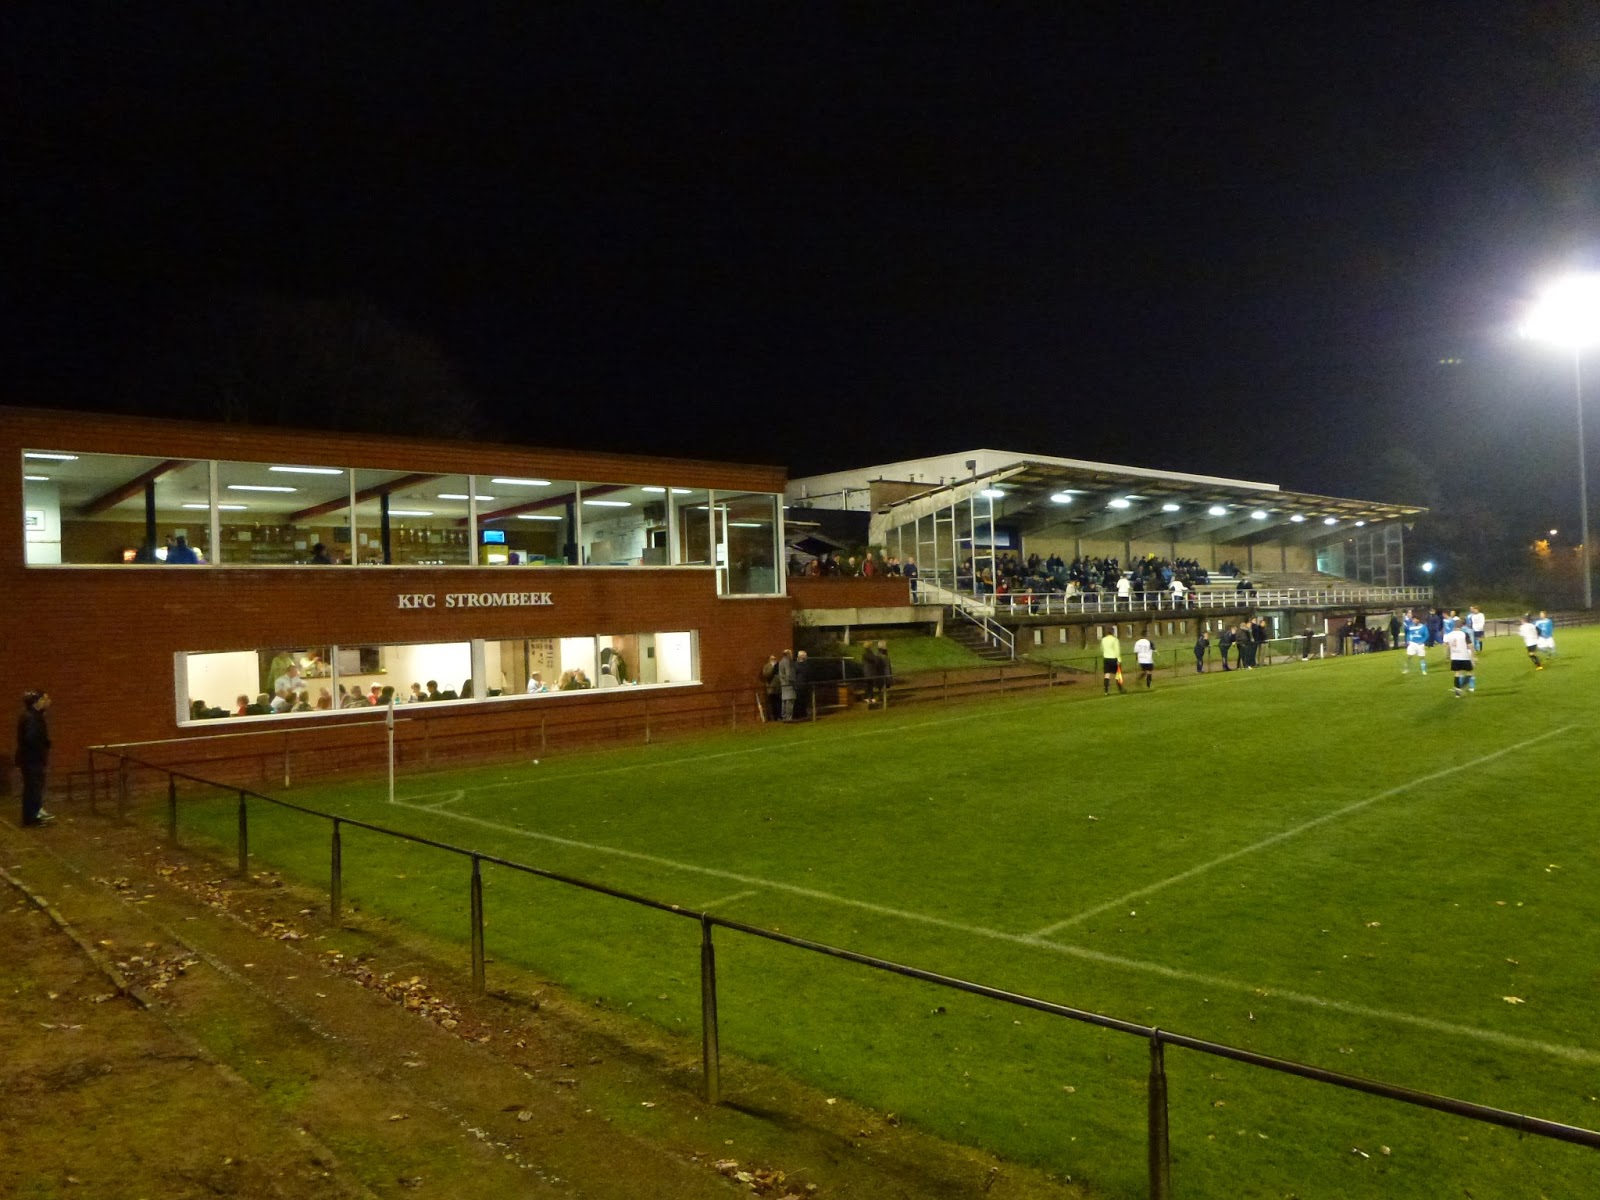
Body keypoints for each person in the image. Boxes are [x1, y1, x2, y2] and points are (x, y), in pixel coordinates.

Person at [15, 690, 53, 826]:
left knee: (33, 787)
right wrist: (43, 745)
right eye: (45, 699)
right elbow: (31, 738)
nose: (48, 702)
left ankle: (33, 814)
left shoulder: (32, 716)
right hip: (32, 759)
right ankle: (31, 818)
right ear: (37, 702)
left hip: (30, 758)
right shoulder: (32, 718)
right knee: (33, 788)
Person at [1444, 622, 1476, 697]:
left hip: (1454, 656)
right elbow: (1470, 645)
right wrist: (1474, 656)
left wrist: (1447, 656)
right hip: (1464, 656)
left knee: (1457, 673)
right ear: (1461, 627)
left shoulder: (1449, 635)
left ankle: (1457, 693)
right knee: (1470, 673)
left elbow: (1447, 647)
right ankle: (1460, 688)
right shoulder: (1464, 634)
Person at [1100, 629, 1124, 695]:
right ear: (1113, 632)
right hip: (1114, 658)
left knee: (1107, 675)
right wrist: (1119, 659)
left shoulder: (1103, 639)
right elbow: (1117, 650)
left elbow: (1102, 649)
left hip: (1106, 658)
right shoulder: (1115, 640)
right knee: (1118, 674)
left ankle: (1106, 691)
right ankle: (1120, 689)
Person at [777, 649, 797, 721]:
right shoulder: (787, 662)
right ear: (788, 654)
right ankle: (789, 717)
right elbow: (789, 674)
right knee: (790, 700)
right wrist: (793, 681)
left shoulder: (780, 662)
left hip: (783, 683)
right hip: (789, 684)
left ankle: (784, 716)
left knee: (784, 700)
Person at [760, 655, 782, 721]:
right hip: (771, 687)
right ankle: (773, 717)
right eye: (772, 659)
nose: (773, 660)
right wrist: (773, 668)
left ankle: (779, 716)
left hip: (779, 687)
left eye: (774, 658)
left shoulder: (779, 665)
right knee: (772, 703)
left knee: (779, 702)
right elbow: (766, 675)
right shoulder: (766, 666)